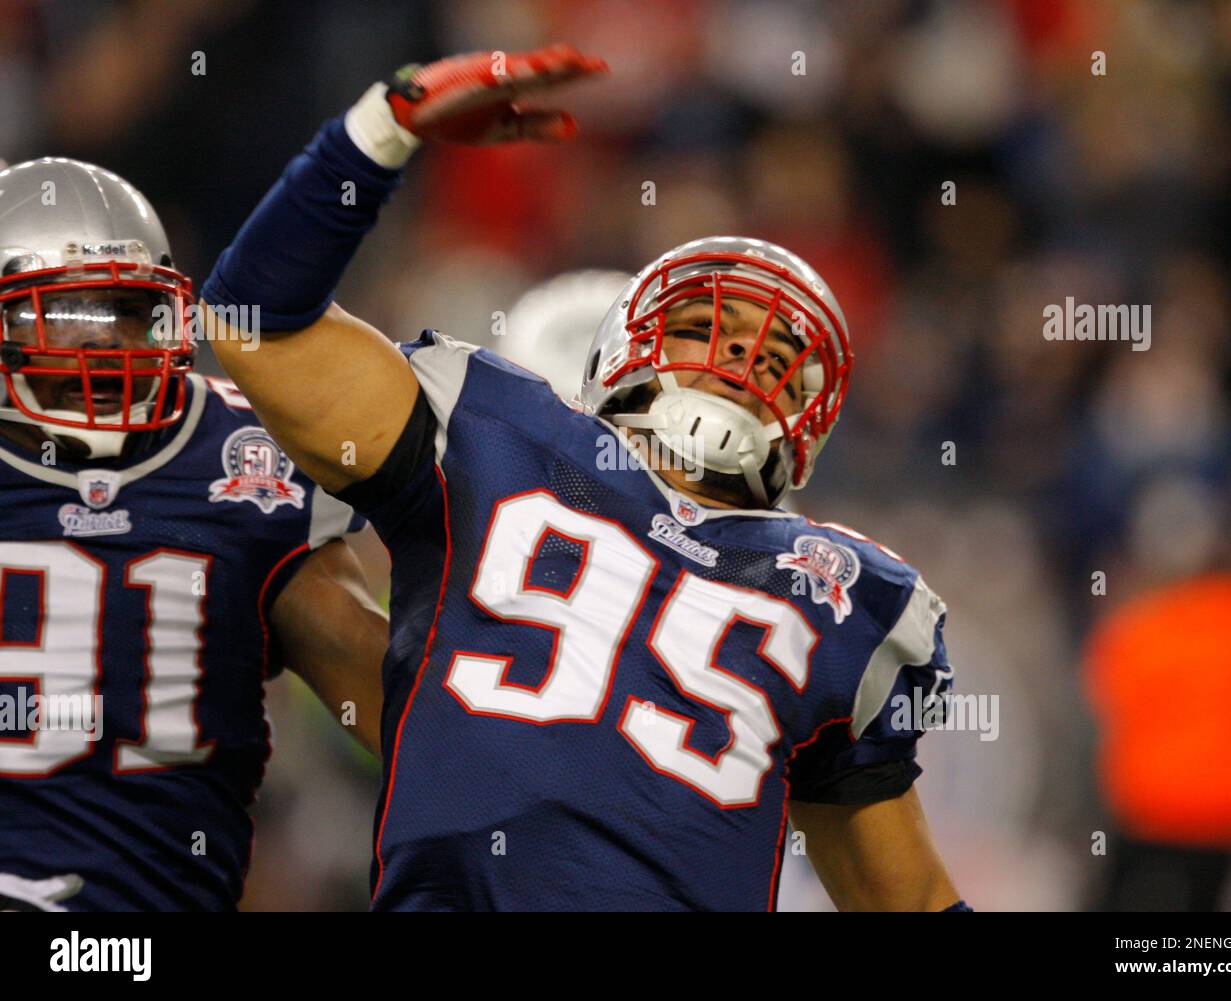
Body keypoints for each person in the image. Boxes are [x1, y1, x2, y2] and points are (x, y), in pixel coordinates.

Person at [202, 45, 968, 911]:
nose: (744, 359)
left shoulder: (844, 592)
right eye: (710, 325)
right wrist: (372, 139)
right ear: (618, 351)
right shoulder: (494, 429)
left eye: (782, 356)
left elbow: (913, 900)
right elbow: (254, 322)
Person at [0, 158, 388, 911]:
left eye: (125, 312)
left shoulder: (244, 458)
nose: (102, 348)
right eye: (62, 316)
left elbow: (406, 716)